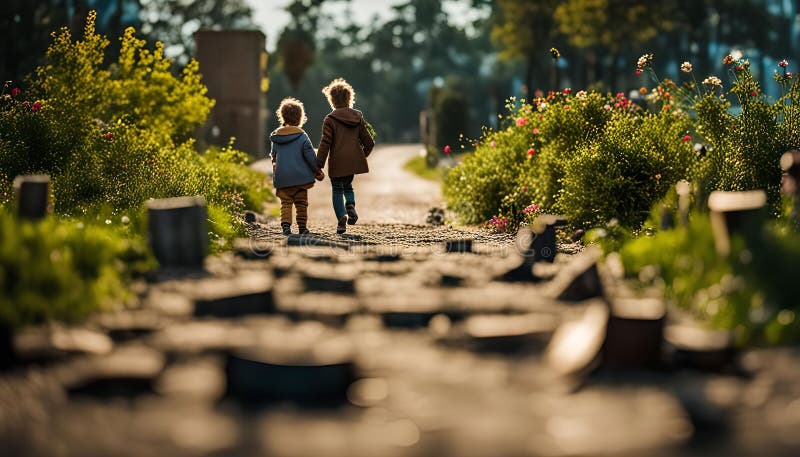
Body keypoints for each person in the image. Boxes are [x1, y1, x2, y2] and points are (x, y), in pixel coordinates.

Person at [316, 78, 375, 234]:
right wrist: (360, 157)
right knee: (348, 186)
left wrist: (318, 165)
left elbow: (325, 144)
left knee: (337, 189)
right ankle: (350, 205)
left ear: (332, 101)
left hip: (337, 162)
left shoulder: (330, 120)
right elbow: (369, 142)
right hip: (351, 163)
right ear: (350, 98)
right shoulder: (358, 117)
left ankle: (341, 218)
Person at [270, 97, 324, 236]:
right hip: (301, 178)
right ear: (300, 118)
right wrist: (317, 171)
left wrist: (276, 173)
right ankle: (302, 228)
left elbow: (273, 157)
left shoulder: (276, 137)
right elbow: (311, 157)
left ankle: (286, 227)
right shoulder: (302, 137)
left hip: (283, 178)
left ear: (282, 116)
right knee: (301, 203)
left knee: (286, 203)